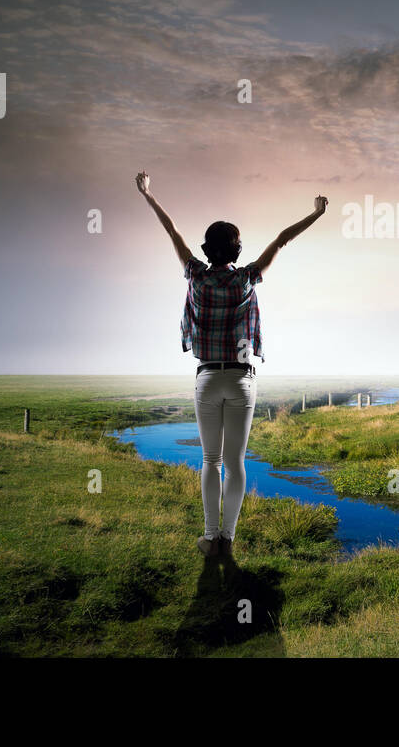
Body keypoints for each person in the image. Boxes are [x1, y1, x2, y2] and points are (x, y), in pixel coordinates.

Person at [135, 171, 328, 558]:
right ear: (237, 250)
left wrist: (148, 193)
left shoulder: (195, 276)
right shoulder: (247, 280)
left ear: (207, 249)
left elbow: (171, 230)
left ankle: (210, 538)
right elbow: (281, 241)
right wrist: (317, 215)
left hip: (207, 378)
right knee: (236, 462)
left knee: (210, 460)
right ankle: (229, 538)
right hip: (242, 380)